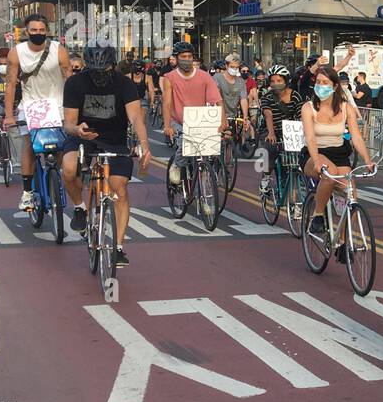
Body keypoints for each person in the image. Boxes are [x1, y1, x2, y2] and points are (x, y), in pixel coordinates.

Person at [62, 45, 152, 267]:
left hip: (114, 138)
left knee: (119, 188)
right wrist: (78, 130)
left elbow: (136, 118)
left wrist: (144, 145)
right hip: (83, 134)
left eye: (104, 69)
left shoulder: (125, 84)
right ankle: (80, 208)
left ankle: (119, 247)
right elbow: (68, 123)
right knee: (69, 168)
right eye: (93, 70)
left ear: (112, 66)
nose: (99, 74)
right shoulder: (75, 83)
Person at [4, 14, 75, 213]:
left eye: (41, 30)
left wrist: (74, 109)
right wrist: (9, 115)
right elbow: (10, 84)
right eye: (33, 30)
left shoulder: (59, 51)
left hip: (58, 105)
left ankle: (55, 177)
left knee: (61, 145)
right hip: (31, 106)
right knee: (29, 144)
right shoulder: (16, 53)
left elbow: (70, 82)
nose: (37, 33)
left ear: (47, 31)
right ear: (26, 31)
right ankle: (27, 192)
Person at [301, 66, 372, 231]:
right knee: (329, 171)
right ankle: (318, 215)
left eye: (325, 82)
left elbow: (356, 136)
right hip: (315, 153)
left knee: (351, 195)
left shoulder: (346, 108)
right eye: (318, 82)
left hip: (339, 153)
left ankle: (342, 242)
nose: (321, 86)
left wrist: (368, 160)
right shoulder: (308, 108)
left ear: (334, 86)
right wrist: (317, 160)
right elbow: (310, 137)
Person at [161, 41, 225, 186]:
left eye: (190, 56)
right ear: (176, 58)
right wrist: (167, 126)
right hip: (177, 120)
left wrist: (223, 121)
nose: (187, 59)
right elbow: (166, 103)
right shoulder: (169, 78)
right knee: (185, 143)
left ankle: (205, 193)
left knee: (206, 154)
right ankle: (177, 165)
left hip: (200, 121)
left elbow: (218, 100)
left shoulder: (204, 76)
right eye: (183, 56)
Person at [258, 64, 304, 193]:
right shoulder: (267, 97)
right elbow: (268, 115)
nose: (275, 84)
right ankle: (266, 177)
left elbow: (301, 114)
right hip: (271, 131)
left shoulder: (295, 95)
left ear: (286, 81)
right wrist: (271, 133)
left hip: (291, 133)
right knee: (270, 150)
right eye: (272, 81)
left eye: (279, 80)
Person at [216, 52, 253, 146]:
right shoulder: (217, 78)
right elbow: (215, 97)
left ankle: (228, 159)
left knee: (230, 142)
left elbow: (243, 99)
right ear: (226, 65)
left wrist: (245, 116)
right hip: (217, 115)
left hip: (232, 115)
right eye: (232, 67)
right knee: (218, 143)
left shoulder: (240, 82)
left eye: (237, 67)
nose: (235, 69)